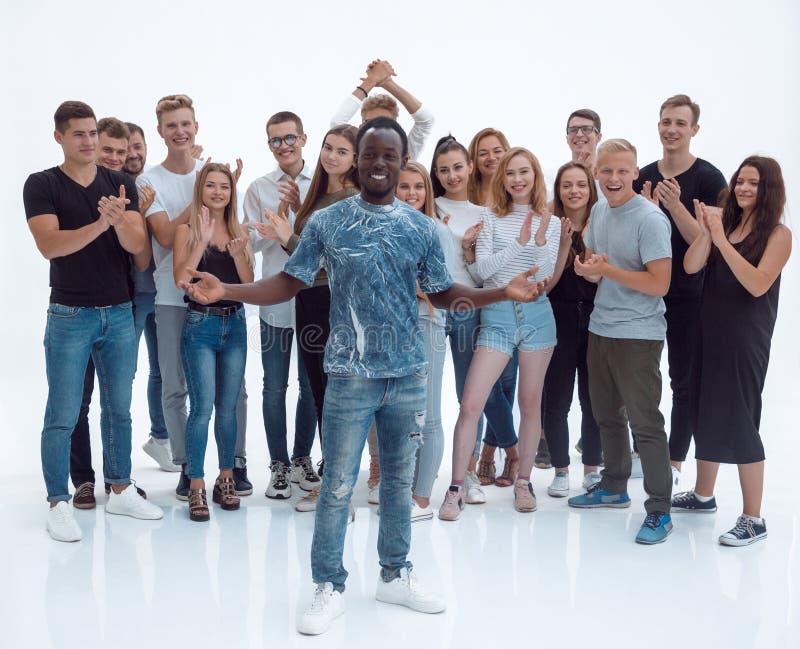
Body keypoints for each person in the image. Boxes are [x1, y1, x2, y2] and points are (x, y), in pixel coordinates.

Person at [181, 117, 548, 635]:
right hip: (350, 375)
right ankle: (328, 584)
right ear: (357, 161)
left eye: (388, 156)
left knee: (397, 484)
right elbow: (288, 282)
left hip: (407, 374)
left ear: (401, 163)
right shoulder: (328, 222)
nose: (379, 164)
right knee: (336, 485)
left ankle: (395, 574)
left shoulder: (420, 227)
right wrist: (229, 291)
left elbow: (445, 295)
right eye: (370, 154)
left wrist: (501, 292)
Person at [24, 100, 163, 542]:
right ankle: (57, 501)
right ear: (60, 137)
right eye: (78, 134)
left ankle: (120, 488)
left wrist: (119, 222)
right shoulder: (42, 184)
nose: (87, 141)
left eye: (91, 133)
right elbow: (50, 246)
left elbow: (139, 249)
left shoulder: (120, 183)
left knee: (119, 410)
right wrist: (101, 224)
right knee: (63, 413)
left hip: (119, 312)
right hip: (70, 315)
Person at [672, 156, 791, 546]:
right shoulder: (727, 225)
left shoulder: (778, 234)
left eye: (753, 183)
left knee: (740, 420)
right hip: (708, 331)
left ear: (768, 189)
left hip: (744, 338)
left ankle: (754, 518)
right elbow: (691, 266)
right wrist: (710, 233)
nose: (743, 188)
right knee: (704, 408)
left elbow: (757, 284)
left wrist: (721, 240)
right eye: (740, 181)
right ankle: (703, 495)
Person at [137, 94, 250, 499]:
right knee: (176, 386)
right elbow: (167, 237)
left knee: (233, 390)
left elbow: (232, 229)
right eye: (172, 125)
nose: (180, 131)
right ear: (161, 131)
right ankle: (188, 466)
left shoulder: (212, 174)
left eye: (186, 124)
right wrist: (200, 197)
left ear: (196, 127)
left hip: (222, 304)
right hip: (173, 297)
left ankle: (234, 462)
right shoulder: (149, 180)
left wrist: (213, 186)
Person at [439, 147, 561, 519]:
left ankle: (523, 482)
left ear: (535, 175)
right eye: (510, 173)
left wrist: (539, 239)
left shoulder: (551, 222)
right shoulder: (490, 218)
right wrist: (521, 243)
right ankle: (456, 488)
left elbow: (543, 277)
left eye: (524, 172)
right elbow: (482, 273)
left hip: (537, 316)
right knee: (471, 403)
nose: (517, 179)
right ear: (502, 180)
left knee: (530, 403)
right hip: (497, 317)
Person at [566, 139, 674, 545]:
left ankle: (660, 509)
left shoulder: (650, 220)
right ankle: (613, 487)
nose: (614, 178)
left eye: (622, 171)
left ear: (635, 173)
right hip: (602, 328)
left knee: (645, 424)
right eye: (607, 170)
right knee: (607, 416)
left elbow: (659, 284)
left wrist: (606, 271)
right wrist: (588, 270)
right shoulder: (599, 210)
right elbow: (598, 269)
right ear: (596, 172)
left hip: (638, 335)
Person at [251, 124, 359, 513]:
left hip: (331, 302)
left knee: (331, 396)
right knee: (321, 391)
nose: (331, 156)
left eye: (342, 151)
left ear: (356, 159)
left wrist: (286, 236)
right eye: (329, 148)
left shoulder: (350, 198)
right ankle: (333, 484)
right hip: (308, 299)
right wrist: (295, 217)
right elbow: (312, 252)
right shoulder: (321, 194)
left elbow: (333, 261)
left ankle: (337, 491)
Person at [633, 94, 727, 487]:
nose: (672, 130)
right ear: (658, 125)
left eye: (680, 123)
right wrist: (646, 212)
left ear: (694, 130)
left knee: (683, 381)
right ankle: (642, 452)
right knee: (640, 380)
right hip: (645, 294)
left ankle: (673, 463)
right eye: (666, 122)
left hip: (691, 297)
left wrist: (674, 208)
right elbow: (631, 243)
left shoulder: (710, 179)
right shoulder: (641, 176)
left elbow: (708, 246)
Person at [68, 117, 153, 509]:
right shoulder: (76, 189)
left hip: (120, 306)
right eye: (109, 150)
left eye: (122, 151)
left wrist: (133, 219)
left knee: (117, 402)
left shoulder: (127, 190)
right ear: (93, 147)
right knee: (78, 400)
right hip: (76, 309)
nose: (117, 158)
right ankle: (83, 480)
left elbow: (141, 259)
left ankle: (118, 479)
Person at [243, 111, 319, 501]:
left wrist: (294, 220)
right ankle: (278, 464)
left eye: (290, 138)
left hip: (314, 299)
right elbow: (252, 242)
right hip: (275, 301)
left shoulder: (321, 183)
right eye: (276, 140)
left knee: (311, 386)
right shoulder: (259, 188)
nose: (284, 145)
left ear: (303, 139)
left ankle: (302, 458)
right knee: (274, 386)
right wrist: (275, 227)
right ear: (269, 145)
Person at [173, 163, 254, 521]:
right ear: (201, 190)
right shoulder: (186, 231)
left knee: (228, 407)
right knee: (202, 408)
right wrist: (202, 241)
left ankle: (226, 478)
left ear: (231, 192)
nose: (218, 192)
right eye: (211, 185)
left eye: (225, 186)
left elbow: (249, 286)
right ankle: (196, 485)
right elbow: (180, 279)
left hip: (234, 324)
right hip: (200, 325)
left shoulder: (240, 230)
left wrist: (237, 254)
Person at [395, 160, 451, 521]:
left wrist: (414, 287)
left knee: (427, 414)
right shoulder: (386, 228)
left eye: (418, 186)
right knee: (400, 415)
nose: (411, 193)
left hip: (426, 324)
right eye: (404, 186)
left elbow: (444, 288)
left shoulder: (436, 230)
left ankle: (422, 498)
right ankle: (402, 491)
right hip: (391, 328)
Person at [542, 162, 602, 497]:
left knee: (594, 400)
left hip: (597, 319)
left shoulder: (603, 221)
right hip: (558, 318)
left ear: (590, 189)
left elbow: (597, 274)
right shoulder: (550, 227)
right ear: (559, 191)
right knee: (557, 398)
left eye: (581, 184)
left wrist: (589, 237)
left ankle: (592, 469)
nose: (574, 191)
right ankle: (561, 469)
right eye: (567, 185)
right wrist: (565, 243)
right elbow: (547, 284)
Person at [124, 122, 176, 473]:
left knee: (163, 370)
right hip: (130, 294)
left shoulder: (151, 184)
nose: (133, 154)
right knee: (124, 373)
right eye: (126, 148)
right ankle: (118, 457)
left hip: (161, 291)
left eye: (137, 147)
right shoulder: (114, 186)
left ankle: (160, 438)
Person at [331, 58, 434, 160]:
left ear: (396, 129)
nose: (378, 129)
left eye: (385, 124)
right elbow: (337, 124)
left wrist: (387, 83)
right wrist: (371, 81)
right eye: (371, 123)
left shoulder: (403, 154)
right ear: (361, 127)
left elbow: (426, 121)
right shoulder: (353, 154)